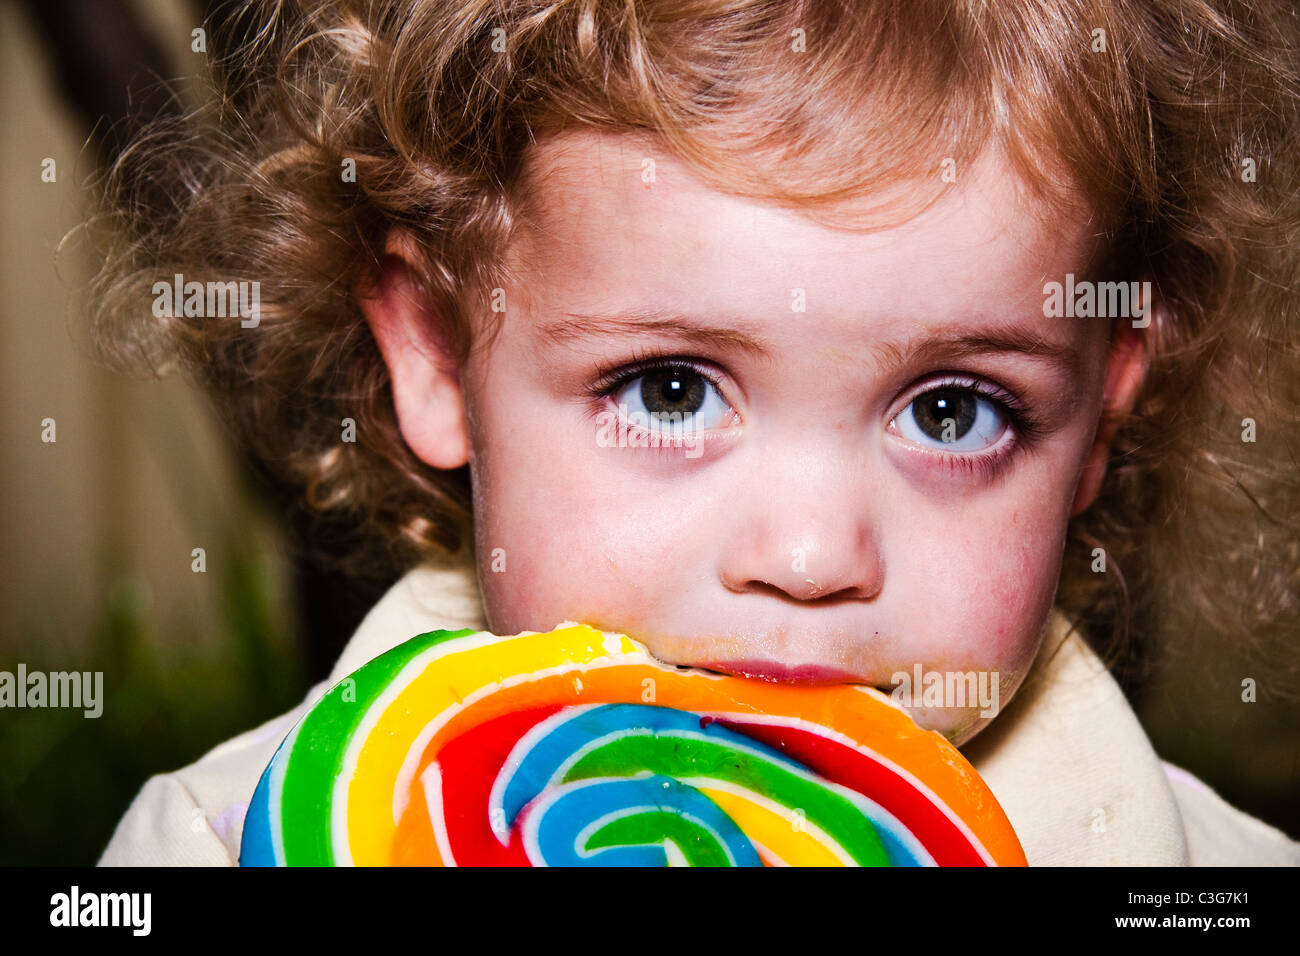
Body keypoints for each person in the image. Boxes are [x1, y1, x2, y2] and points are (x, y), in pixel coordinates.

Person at [93, 0, 1300, 865]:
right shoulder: (208, 841)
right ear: (438, 354)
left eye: (951, 410)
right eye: (669, 390)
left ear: (1099, 407)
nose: (812, 552)